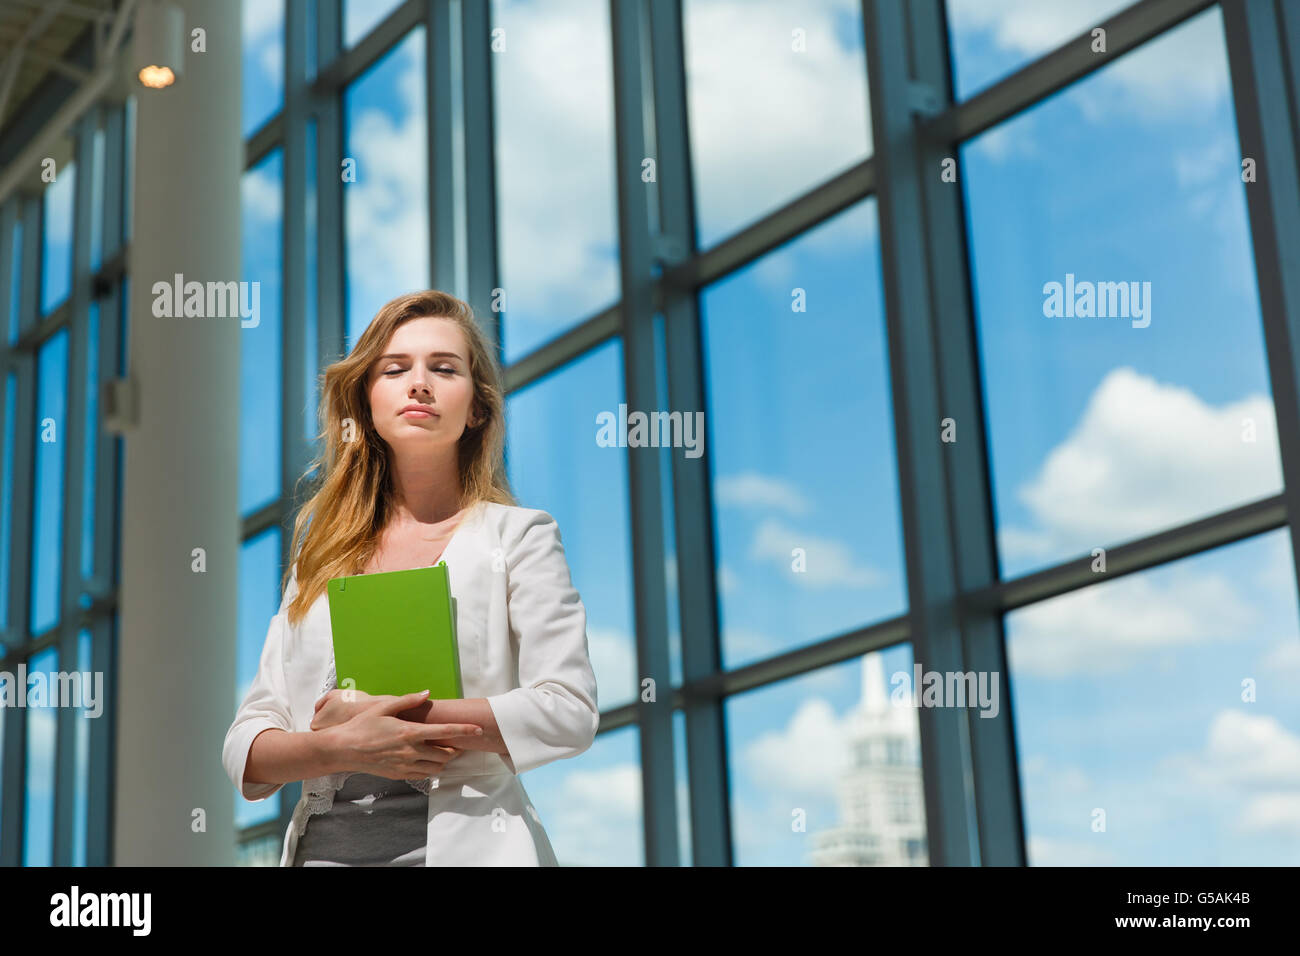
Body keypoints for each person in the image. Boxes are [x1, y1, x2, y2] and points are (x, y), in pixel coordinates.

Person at [221, 290, 600, 866]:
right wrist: (336, 746)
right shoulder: (319, 556)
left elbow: (568, 711)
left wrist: (391, 719)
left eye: (444, 369)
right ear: (366, 399)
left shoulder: (518, 537)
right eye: (394, 369)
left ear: (476, 407)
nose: (418, 383)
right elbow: (248, 742)